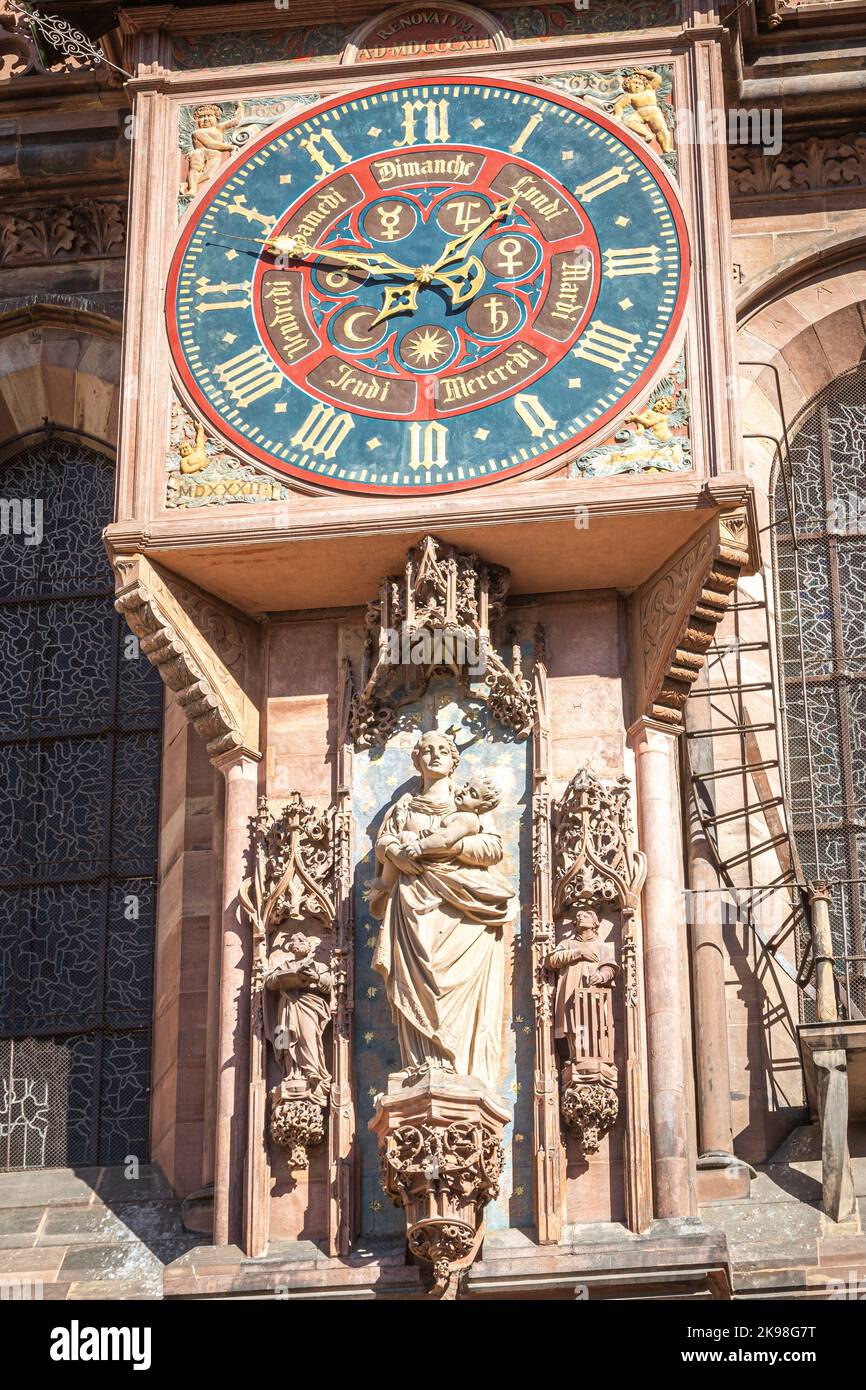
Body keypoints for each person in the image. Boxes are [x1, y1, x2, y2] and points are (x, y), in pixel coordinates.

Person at [369, 732, 515, 1091]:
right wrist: (395, 853)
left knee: (456, 992)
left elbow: (492, 850)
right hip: (412, 904)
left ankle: (462, 1069)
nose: (434, 756)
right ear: (417, 761)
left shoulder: (469, 808)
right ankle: (422, 1064)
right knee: (414, 982)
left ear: (454, 760)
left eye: (443, 751)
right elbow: (385, 842)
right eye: (426, 752)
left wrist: (445, 848)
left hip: (463, 911)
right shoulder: (404, 807)